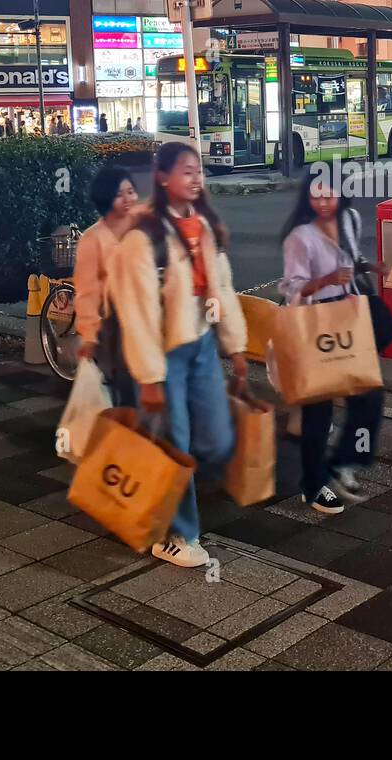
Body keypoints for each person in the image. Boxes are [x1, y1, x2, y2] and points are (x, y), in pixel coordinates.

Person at [107, 142, 247, 568]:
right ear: (163, 177)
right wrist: (149, 376)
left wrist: (236, 346)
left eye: (198, 170)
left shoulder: (202, 226)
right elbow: (136, 312)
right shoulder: (142, 237)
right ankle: (174, 534)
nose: (196, 178)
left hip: (200, 345)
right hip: (164, 353)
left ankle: (153, 500)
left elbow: (221, 288)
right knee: (175, 443)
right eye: (186, 171)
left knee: (217, 439)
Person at [279, 173, 386, 515]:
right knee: (318, 410)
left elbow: (352, 264)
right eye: (316, 196)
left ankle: (343, 462)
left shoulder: (350, 220)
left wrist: (369, 267)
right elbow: (292, 288)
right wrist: (323, 280)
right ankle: (312, 486)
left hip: (347, 316)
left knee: (369, 394)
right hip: (316, 321)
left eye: (330, 194)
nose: (324, 202)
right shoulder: (301, 236)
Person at [75, 164, 146, 406]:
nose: (128, 199)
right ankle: (130, 435)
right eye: (118, 194)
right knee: (128, 390)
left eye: (130, 191)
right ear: (105, 198)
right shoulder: (92, 239)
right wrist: (89, 335)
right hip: (115, 326)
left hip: (148, 318)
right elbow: (87, 292)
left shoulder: (143, 225)